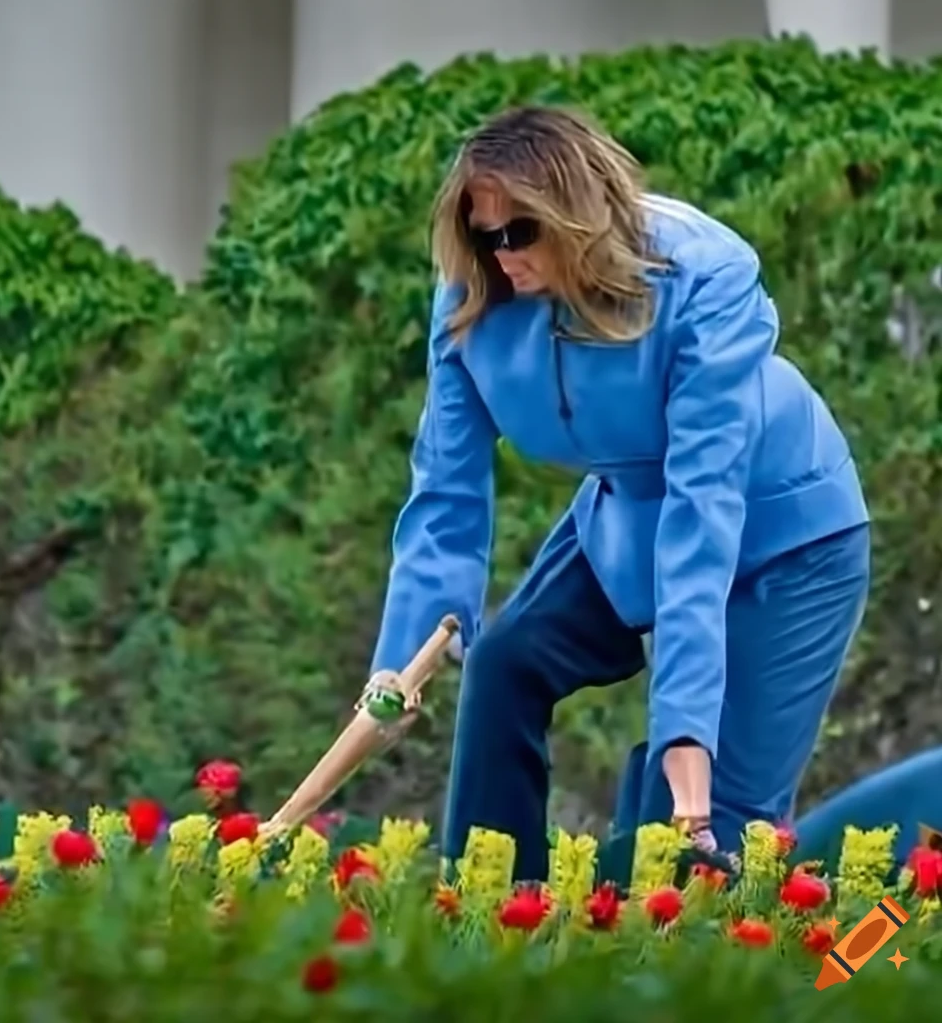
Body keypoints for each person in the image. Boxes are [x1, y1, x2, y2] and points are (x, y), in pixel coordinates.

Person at [361, 105, 871, 882]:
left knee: (695, 842)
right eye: (483, 234)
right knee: (504, 665)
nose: (502, 257)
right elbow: (445, 495)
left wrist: (686, 741)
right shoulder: (473, 298)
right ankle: (485, 923)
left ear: (577, 216)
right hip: (627, 512)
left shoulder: (703, 276)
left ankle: (665, 952)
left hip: (783, 540)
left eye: (520, 233)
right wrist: (399, 668)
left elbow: (704, 513)